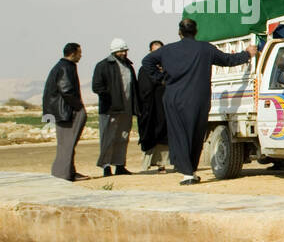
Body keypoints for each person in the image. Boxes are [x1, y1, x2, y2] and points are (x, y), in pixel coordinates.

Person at [140, 18, 256, 185]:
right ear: (195, 32)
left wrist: (162, 78)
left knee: (179, 134)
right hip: (198, 99)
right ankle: (190, 171)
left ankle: (187, 173)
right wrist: (247, 54)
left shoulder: (168, 50)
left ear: (179, 32)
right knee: (195, 134)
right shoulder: (205, 48)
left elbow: (146, 61)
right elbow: (227, 60)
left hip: (174, 98)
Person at [90, 38, 139, 177]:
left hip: (126, 108)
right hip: (110, 109)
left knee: (123, 137)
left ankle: (120, 165)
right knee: (108, 138)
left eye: (125, 50)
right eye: (121, 51)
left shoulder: (128, 66)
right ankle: (106, 166)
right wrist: (111, 98)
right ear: (114, 52)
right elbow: (97, 86)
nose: (124, 53)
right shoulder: (103, 66)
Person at [42, 42, 89, 181]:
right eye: (79, 53)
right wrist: (79, 107)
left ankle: (70, 172)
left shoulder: (63, 66)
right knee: (67, 145)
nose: (81, 56)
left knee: (67, 144)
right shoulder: (65, 67)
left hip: (62, 111)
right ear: (73, 53)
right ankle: (63, 174)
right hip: (66, 112)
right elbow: (66, 90)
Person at [137, 39, 170, 172]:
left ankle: (163, 163)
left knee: (165, 135)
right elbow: (144, 90)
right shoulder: (145, 69)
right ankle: (148, 164)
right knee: (150, 135)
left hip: (165, 108)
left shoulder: (168, 68)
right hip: (150, 110)